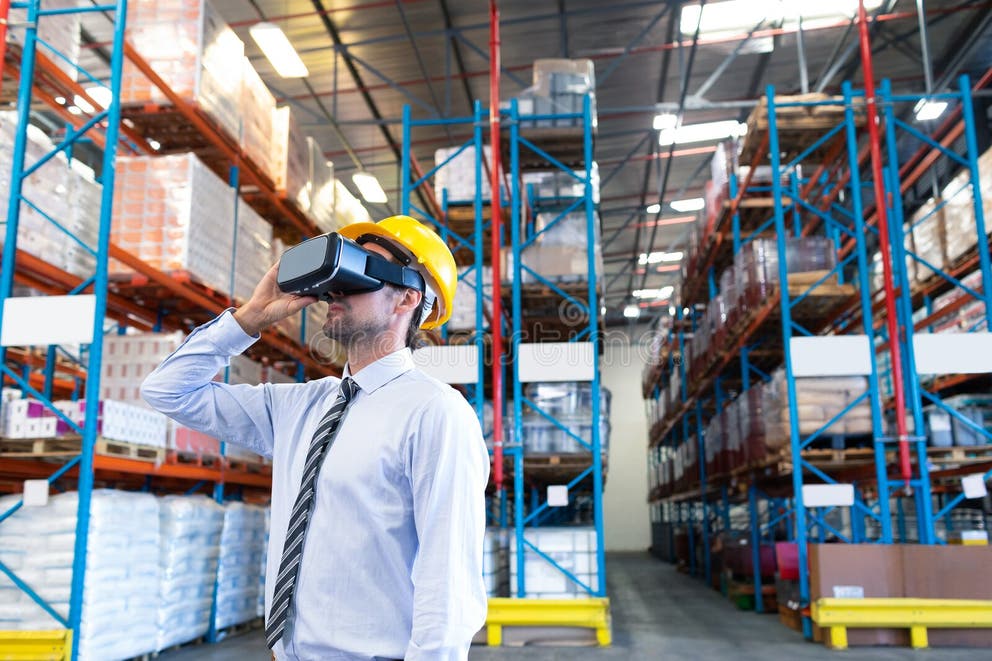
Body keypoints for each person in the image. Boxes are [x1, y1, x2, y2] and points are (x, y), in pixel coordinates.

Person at [141, 216, 490, 661]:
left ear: (407, 298)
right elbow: (167, 390)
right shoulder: (301, 406)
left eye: (360, 272)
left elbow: (449, 579)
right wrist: (248, 319)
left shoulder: (435, 412)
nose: (335, 290)